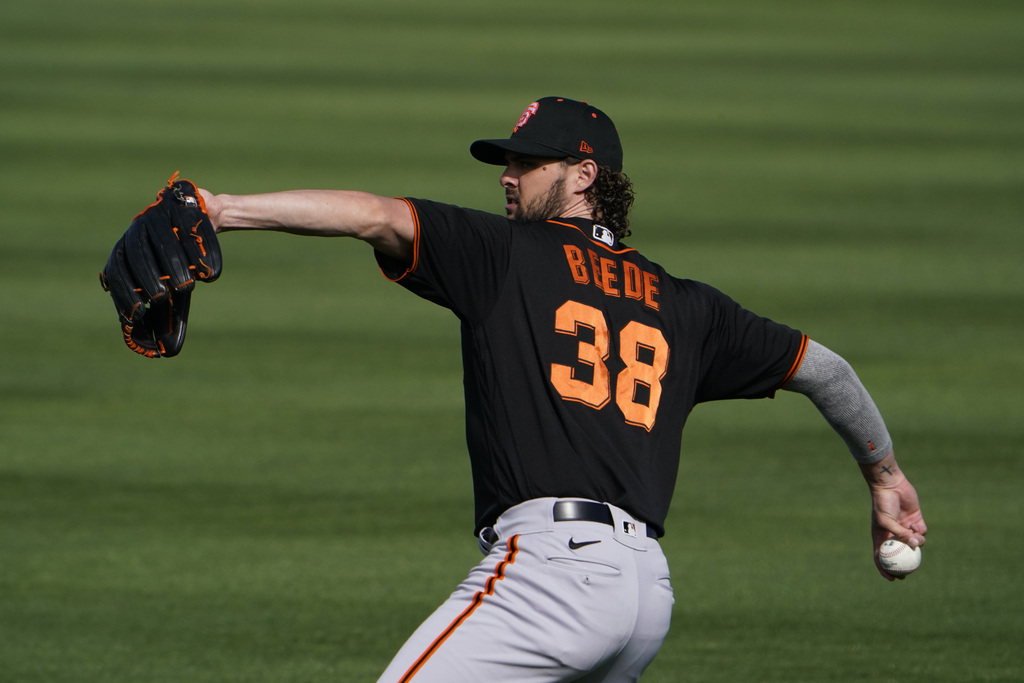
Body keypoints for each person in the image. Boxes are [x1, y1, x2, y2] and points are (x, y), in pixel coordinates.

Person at [197, 96, 927, 682]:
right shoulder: (689, 306)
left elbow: (375, 217)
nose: (507, 176)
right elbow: (827, 370)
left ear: (583, 176)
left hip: (552, 577)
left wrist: (221, 208)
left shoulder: (504, 255)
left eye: (527, 163)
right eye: (507, 163)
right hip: (645, 599)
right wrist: (884, 474)